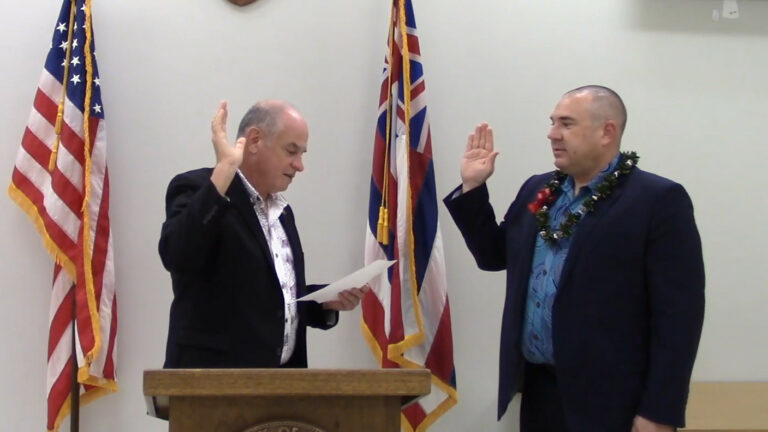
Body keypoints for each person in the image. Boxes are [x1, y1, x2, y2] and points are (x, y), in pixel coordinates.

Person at [443, 86, 705, 432]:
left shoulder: (657, 200)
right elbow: (494, 255)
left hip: (613, 399)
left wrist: (660, 410)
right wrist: (473, 187)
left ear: (606, 131)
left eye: (566, 124)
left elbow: (679, 318)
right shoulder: (539, 190)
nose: (552, 134)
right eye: (552, 123)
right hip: (540, 390)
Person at [159, 100, 368, 369]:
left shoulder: (283, 213)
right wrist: (225, 170)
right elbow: (177, 254)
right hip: (211, 386)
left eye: (302, 154)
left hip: (280, 387)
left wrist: (323, 301)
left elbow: (267, 297)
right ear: (255, 140)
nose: (300, 165)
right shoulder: (198, 188)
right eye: (292, 151)